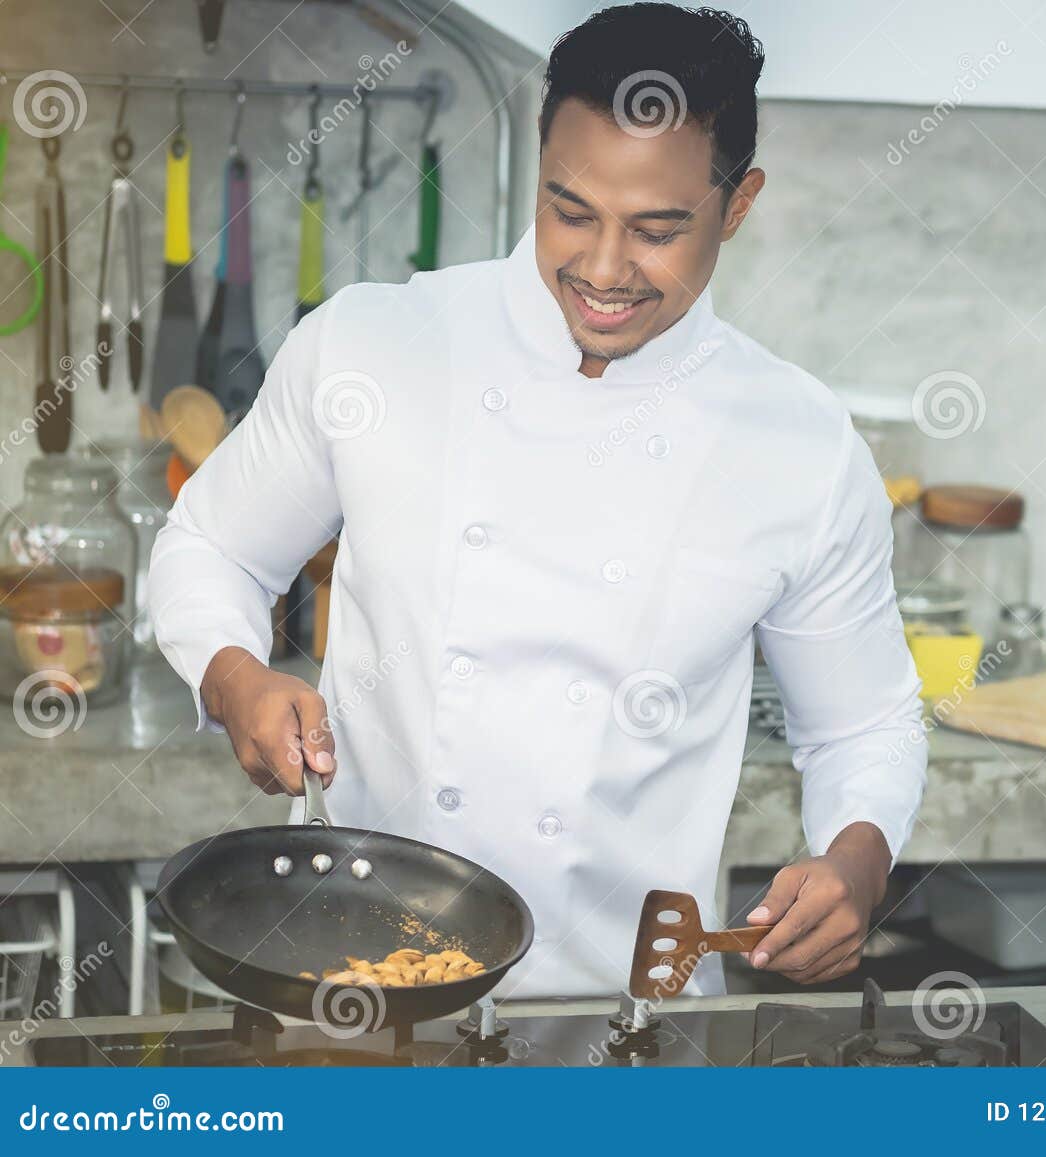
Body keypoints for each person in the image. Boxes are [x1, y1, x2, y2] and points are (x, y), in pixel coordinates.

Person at [148, 3, 926, 997]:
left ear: (737, 206)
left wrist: (856, 861)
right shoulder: (375, 346)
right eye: (569, 210)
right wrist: (230, 673)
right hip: (361, 989)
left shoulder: (800, 445)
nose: (603, 269)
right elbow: (210, 543)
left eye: (656, 230)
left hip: (629, 1021)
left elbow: (864, 723)